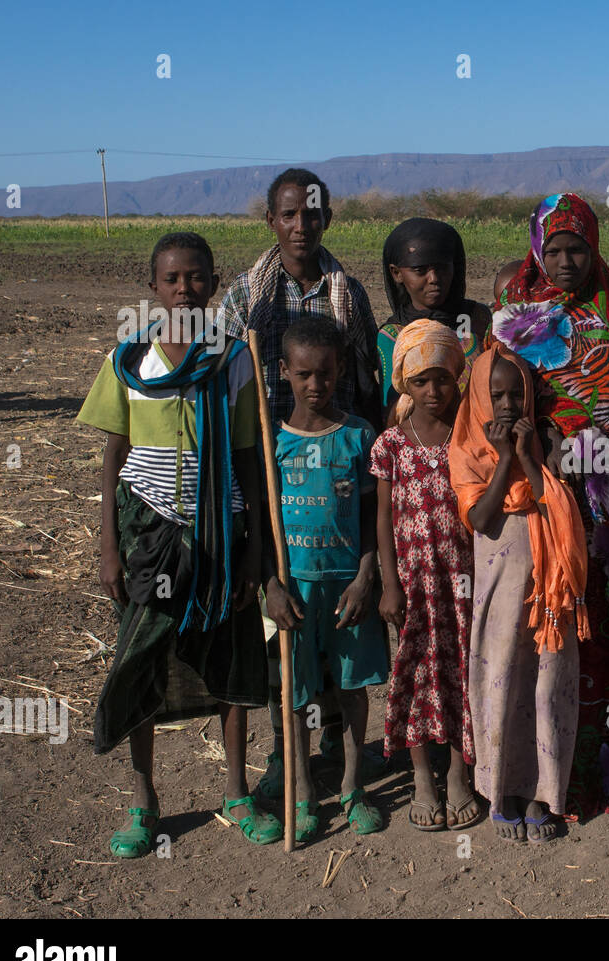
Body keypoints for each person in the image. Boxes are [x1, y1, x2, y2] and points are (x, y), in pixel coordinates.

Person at [78, 231, 280, 855]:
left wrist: (256, 551)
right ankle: (144, 802)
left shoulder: (233, 358)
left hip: (221, 531)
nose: (185, 289)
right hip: (149, 531)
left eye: (197, 277)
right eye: (172, 279)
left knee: (231, 657)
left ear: (215, 283)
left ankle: (237, 792)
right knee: (141, 661)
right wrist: (109, 546)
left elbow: (248, 456)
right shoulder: (129, 362)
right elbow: (114, 459)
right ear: (153, 288)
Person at [494, 194, 609, 816]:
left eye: (578, 248)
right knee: (562, 635)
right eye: (555, 249)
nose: (566, 261)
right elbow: (505, 400)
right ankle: (559, 777)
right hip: (555, 497)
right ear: (537, 249)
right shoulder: (516, 309)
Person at [216, 168, 383, 797]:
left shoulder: (349, 293)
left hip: (340, 461)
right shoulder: (245, 298)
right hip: (274, 459)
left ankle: (343, 762)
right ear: (271, 221)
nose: (300, 226)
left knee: (341, 643)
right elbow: (226, 383)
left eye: (311, 215)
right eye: (288, 215)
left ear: (327, 219)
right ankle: (290, 764)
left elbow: (367, 380)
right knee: (292, 648)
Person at [449, 343, 589, 843]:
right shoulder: (466, 449)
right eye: (497, 395)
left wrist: (528, 458)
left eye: (516, 395)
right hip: (499, 598)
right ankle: (503, 791)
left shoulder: (547, 441)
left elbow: (556, 505)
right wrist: (505, 458)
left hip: (550, 599)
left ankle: (542, 795)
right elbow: (483, 519)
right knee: (502, 687)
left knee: (547, 690)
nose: (508, 405)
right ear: (482, 399)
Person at [263, 318, 387, 840]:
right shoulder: (272, 443)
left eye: (327, 375)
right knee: (296, 694)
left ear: (341, 373)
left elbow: (370, 520)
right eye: (305, 375)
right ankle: (304, 790)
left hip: (347, 585)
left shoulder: (359, 436)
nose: (316, 386)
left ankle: (354, 786)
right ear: (285, 373)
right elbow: (260, 529)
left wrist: (365, 579)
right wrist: (270, 585)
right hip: (294, 591)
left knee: (353, 689)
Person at [371, 320, 479, 832]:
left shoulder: (470, 433)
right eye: (421, 382)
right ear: (404, 384)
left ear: (459, 374)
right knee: (416, 672)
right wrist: (389, 584)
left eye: (443, 378)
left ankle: (460, 770)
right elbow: (383, 519)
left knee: (464, 672)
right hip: (415, 583)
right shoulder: (393, 442)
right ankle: (421, 777)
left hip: (464, 580)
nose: (433, 391)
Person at [377, 218, 490, 424]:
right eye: (420, 270)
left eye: (442, 268)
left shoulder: (479, 319)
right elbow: (392, 413)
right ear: (396, 273)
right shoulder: (392, 335)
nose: (434, 278)